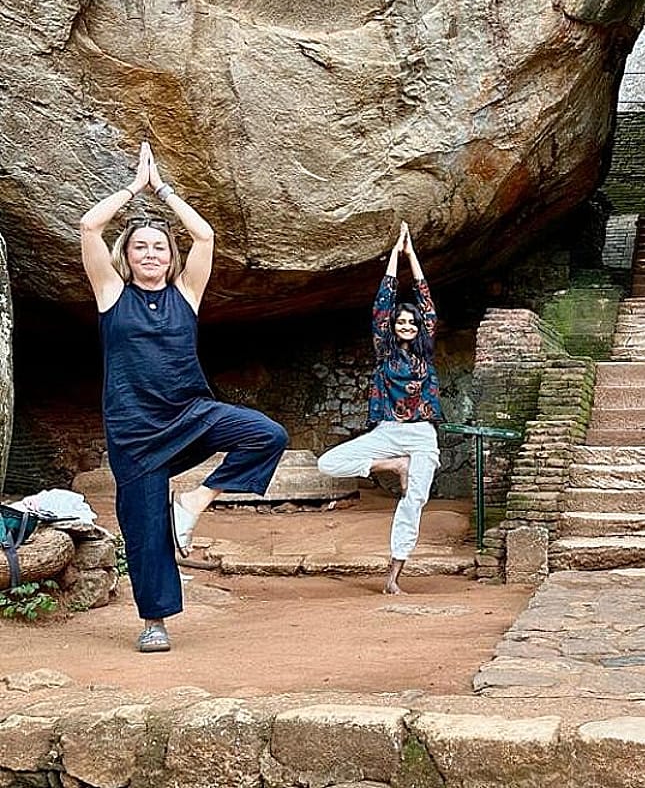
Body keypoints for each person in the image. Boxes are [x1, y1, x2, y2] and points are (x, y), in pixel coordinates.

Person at [80, 142, 288, 653]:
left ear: (172, 256)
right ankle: (155, 622)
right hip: (134, 431)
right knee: (146, 530)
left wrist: (164, 191)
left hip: (191, 413)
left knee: (267, 435)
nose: (151, 254)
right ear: (126, 256)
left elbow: (205, 235)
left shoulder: (187, 293)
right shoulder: (111, 294)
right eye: (141, 247)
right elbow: (89, 227)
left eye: (160, 247)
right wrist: (134, 189)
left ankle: (195, 501)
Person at [317, 222, 443, 595]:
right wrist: (392, 257)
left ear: (419, 327)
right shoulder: (385, 351)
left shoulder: (425, 352)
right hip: (387, 432)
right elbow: (381, 306)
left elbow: (425, 299)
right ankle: (394, 466)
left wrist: (411, 255)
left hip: (421, 435)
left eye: (411, 322)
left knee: (414, 500)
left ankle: (393, 576)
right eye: (401, 322)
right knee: (328, 463)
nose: (406, 325)